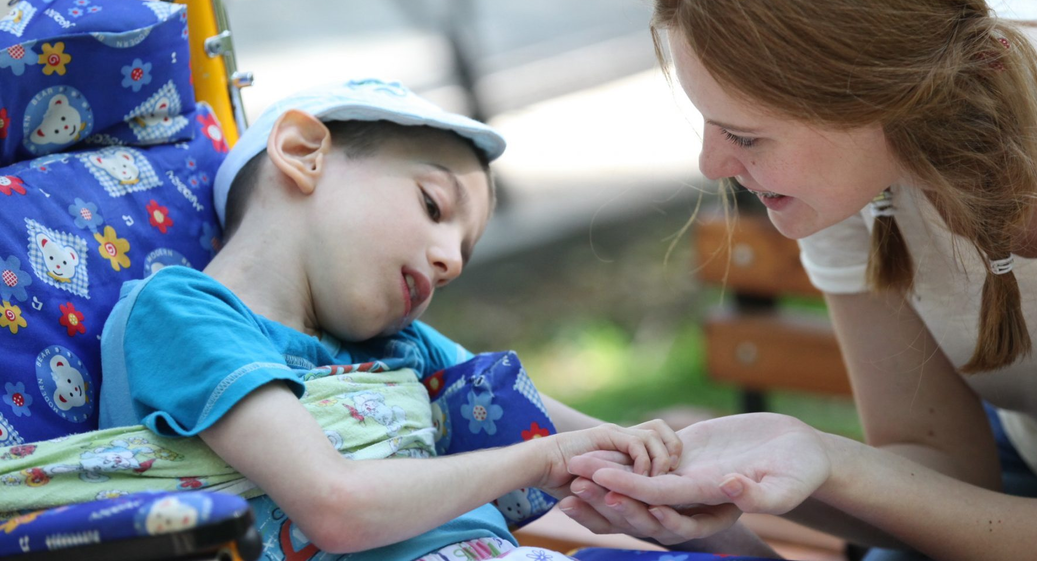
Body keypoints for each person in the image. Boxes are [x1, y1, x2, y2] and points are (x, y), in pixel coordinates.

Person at [556, 0, 1037, 559]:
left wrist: (833, 463)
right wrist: (735, 490)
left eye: (745, 136)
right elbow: (935, 459)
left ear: (879, 97)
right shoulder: (867, 142)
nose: (713, 165)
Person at [97, 79, 686, 560]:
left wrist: (670, 463)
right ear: (304, 153)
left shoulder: (396, 346)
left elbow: (594, 444)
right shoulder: (183, 313)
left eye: (463, 251)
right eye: (434, 206)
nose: (451, 260)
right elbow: (337, 507)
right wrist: (542, 460)